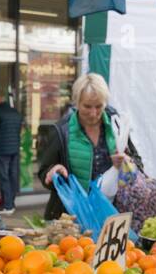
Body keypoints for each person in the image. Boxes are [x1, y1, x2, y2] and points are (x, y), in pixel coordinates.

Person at [39, 72, 143, 220]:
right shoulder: (61, 131)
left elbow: (138, 162)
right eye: (87, 106)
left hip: (111, 214)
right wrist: (54, 171)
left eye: (99, 106)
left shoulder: (116, 125)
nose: (93, 113)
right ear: (76, 102)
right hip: (73, 216)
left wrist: (126, 162)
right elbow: (44, 173)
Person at [0, 93, 22, 214]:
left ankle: (7, 206)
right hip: (15, 149)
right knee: (13, 176)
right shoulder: (15, 112)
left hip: (2, 150)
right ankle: (11, 203)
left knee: (4, 177)